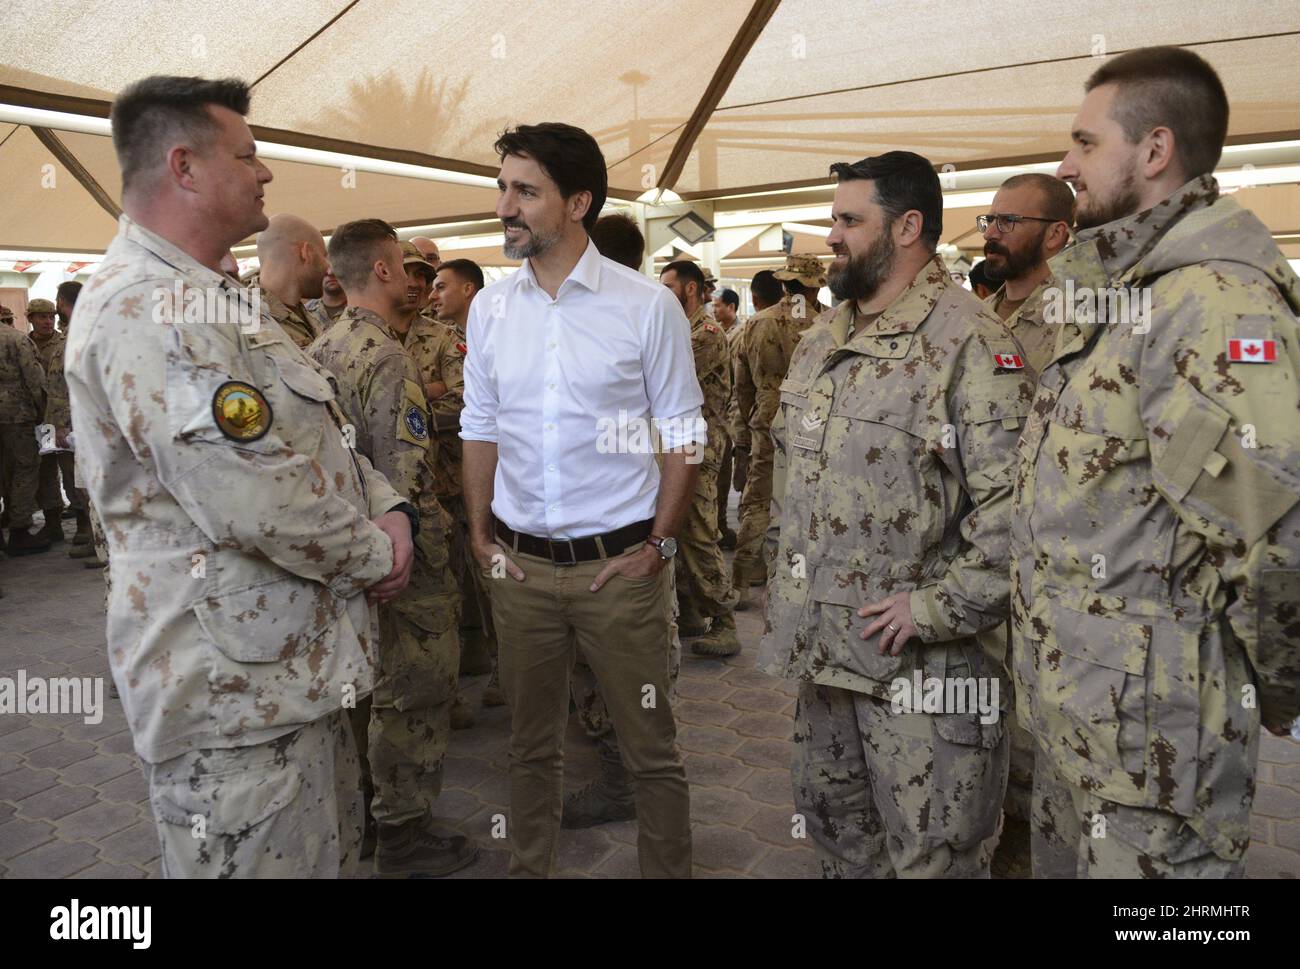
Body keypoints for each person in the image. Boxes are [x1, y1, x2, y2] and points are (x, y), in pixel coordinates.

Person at [65, 75, 415, 878]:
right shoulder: (143, 307)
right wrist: (378, 554)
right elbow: (252, 495)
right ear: (184, 167)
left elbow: (316, 434)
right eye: (249, 156)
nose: (265, 174)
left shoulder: (216, 298)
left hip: (291, 679)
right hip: (229, 706)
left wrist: (390, 506)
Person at [1012, 45, 1300, 879]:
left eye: (1085, 142)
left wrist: (1276, 686)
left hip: (1160, 753)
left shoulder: (1210, 299)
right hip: (1089, 724)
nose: (1065, 165)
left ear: (1154, 151)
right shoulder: (1127, 291)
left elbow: (1277, 531)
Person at [759, 151, 1035, 878]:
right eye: (832, 220)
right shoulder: (822, 341)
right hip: (825, 665)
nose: (832, 238)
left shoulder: (972, 344)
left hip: (926, 678)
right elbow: (795, 483)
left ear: (909, 226)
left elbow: (1020, 515)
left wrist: (933, 607)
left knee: (932, 862)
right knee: (842, 850)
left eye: (850, 220)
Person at [461, 122, 699, 877]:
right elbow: (480, 427)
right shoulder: (490, 310)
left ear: (579, 202)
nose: (506, 205)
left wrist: (659, 546)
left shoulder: (644, 305)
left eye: (525, 191)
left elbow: (684, 433)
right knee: (531, 749)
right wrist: (479, 536)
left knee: (651, 752)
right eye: (503, 188)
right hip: (520, 572)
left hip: (620, 572)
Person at [309, 219, 474, 877]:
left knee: (364, 687)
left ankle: (372, 815)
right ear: (380, 270)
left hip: (347, 546)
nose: (413, 280)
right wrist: (422, 545)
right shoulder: (386, 354)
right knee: (417, 686)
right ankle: (404, 827)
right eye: (401, 268)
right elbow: (402, 477)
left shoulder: (320, 347)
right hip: (401, 554)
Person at [407, 255, 503, 725]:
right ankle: (457, 677)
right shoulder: (380, 336)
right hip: (420, 487)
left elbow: (472, 408)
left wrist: (415, 404)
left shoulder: (454, 339)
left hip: (467, 477)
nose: (425, 291)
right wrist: (431, 391)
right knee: (445, 589)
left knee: (491, 581)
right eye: (425, 283)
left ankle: (508, 672)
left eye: (433, 282)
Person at [730, 256, 824, 607]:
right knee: (803, 503)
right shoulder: (827, 325)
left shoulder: (757, 322)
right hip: (812, 426)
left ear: (784, 284)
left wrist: (752, 418)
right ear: (816, 287)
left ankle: (741, 579)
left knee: (758, 500)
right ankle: (790, 579)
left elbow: (741, 386)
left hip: (766, 419)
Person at [659, 259, 740, 656]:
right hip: (681, 446)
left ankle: (724, 620)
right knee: (675, 527)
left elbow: (665, 376)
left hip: (701, 449)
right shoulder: (681, 329)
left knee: (699, 531)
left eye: (668, 285)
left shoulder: (704, 334)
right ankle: (690, 610)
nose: (662, 292)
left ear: (689, 289)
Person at [978, 173, 1075, 372]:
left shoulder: (1078, 320)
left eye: (1007, 221)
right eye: (990, 220)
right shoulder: (977, 313)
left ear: (1055, 234)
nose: (989, 233)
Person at [27, 297, 78, 545]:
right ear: (31, 319)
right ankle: (53, 521)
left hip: (63, 418)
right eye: (41, 317)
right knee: (46, 471)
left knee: (70, 470)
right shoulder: (25, 344)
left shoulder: (63, 343)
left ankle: (82, 523)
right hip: (41, 420)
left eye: (51, 316)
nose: (48, 321)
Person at [0, 302, 50, 555]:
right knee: (25, 468)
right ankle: (19, 530)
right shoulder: (15, 339)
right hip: (16, 415)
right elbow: (34, 379)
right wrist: (43, 412)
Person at [255, 213, 328, 348]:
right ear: (306, 253)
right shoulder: (247, 319)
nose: (328, 267)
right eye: (324, 256)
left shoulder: (306, 315)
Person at [712, 287, 742, 549]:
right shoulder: (717, 331)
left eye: (719, 305)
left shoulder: (738, 334)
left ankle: (721, 526)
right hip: (723, 416)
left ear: (731, 307)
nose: (714, 309)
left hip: (727, 415)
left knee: (725, 477)